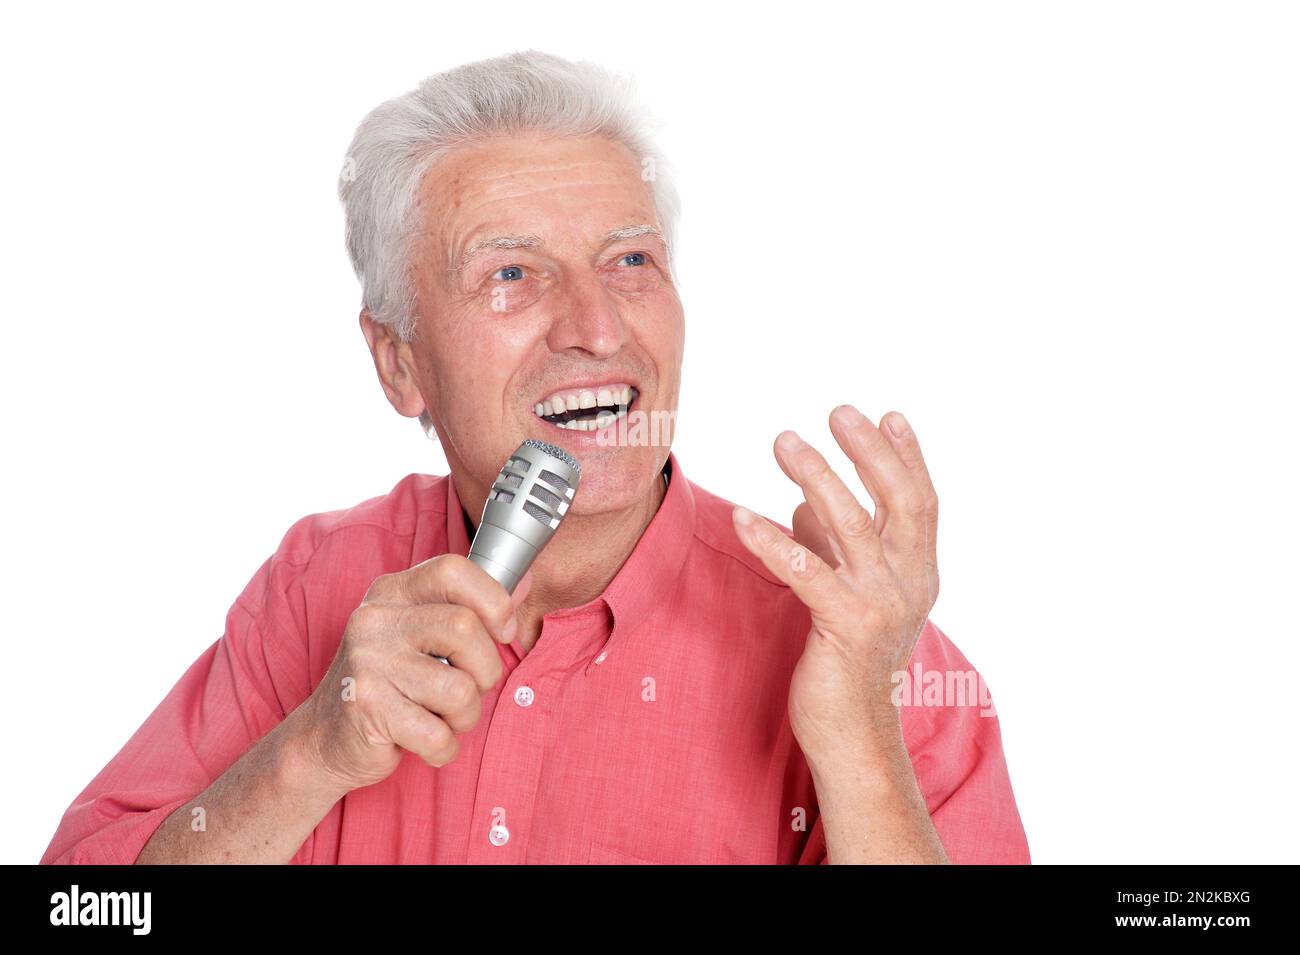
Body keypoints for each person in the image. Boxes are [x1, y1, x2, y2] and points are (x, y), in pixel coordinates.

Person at [42, 50, 1030, 864]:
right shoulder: (318, 585)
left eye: (629, 262)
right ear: (399, 364)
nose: (596, 328)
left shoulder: (854, 638)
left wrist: (859, 734)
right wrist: (308, 755)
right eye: (512, 274)